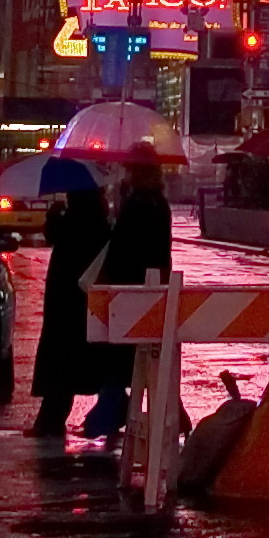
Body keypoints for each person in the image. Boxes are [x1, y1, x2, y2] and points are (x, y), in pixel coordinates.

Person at [83, 149, 176, 440]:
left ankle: (107, 417)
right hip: (155, 288)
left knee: (119, 357)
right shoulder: (160, 203)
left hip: (127, 290)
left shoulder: (136, 204)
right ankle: (170, 417)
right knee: (149, 359)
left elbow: (121, 249)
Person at [29, 180, 113, 438]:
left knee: (60, 364)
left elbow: (53, 235)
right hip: (90, 300)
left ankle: (51, 420)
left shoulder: (69, 220)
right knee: (96, 361)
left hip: (64, 301)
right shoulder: (101, 222)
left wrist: (53, 214)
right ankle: (112, 411)